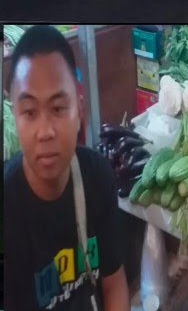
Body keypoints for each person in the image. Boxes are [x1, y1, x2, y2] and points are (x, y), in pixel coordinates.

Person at [4, 25, 128, 311]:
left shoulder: (97, 176)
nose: (45, 131)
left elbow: (114, 283)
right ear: (14, 115)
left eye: (58, 108)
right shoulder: (9, 205)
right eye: (30, 112)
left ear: (79, 111)